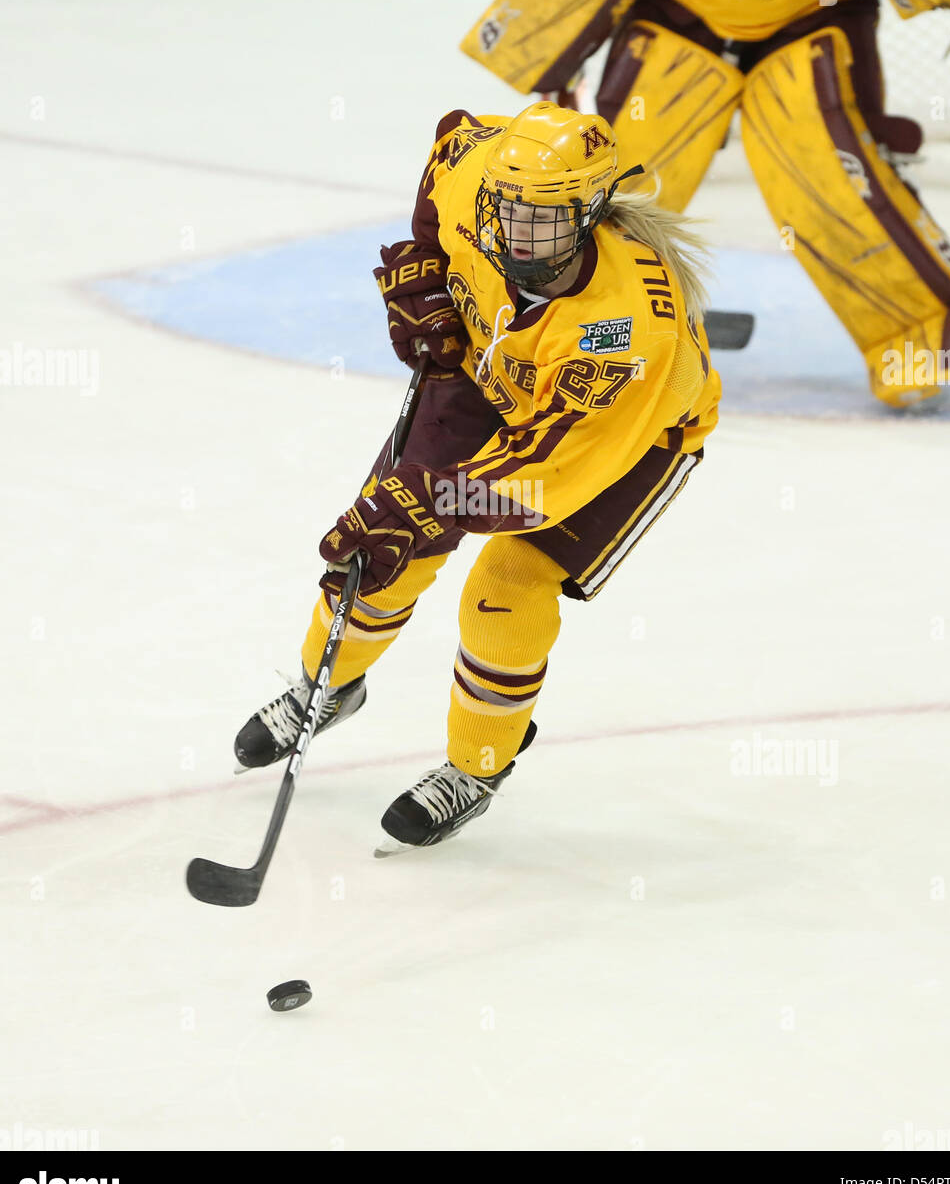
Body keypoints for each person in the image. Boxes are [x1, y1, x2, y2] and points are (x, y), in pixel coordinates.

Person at [234, 101, 721, 852]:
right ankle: (322, 687)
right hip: (488, 370)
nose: (517, 230)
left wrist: (418, 499)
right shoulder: (477, 175)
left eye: (545, 217)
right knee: (379, 552)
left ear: (591, 209)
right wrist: (428, 267)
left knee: (506, 587)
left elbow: (526, 483)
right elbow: (450, 142)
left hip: (625, 439)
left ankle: (476, 767)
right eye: (509, 209)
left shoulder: (622, 334)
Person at [461, 0, 950, 407]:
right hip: (680, 14)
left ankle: (933, 346)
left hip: (812, 19)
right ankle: (560, 323)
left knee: (830, 181)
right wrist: (553, 34)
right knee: (613, 182)